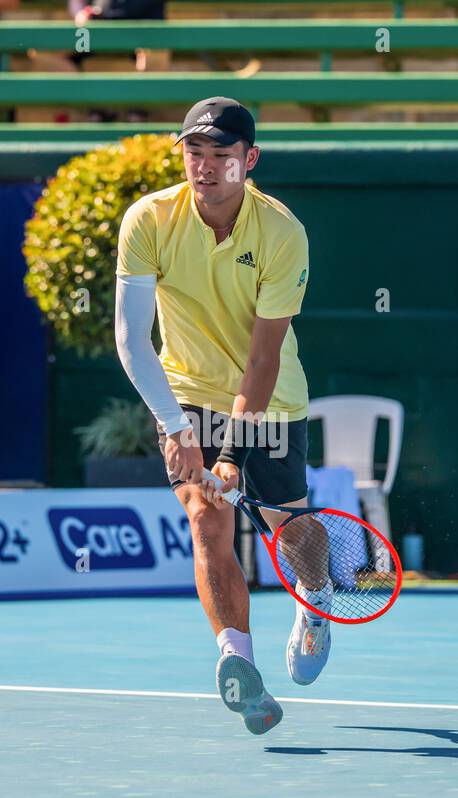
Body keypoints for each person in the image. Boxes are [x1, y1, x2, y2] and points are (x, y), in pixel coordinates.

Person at [114, 98, 329, 736]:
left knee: (289, 529)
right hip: (184, 391)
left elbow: (262, 359)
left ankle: (313, 600)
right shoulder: (148, 219)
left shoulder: (282, 233)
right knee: (207, 520)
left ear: (249, 161)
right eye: (194, 154)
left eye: (221, 157)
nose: (205, 168)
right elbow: (132, 339)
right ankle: (241, 668)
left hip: (270, 398)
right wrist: (178, 430)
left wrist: (232, 455)